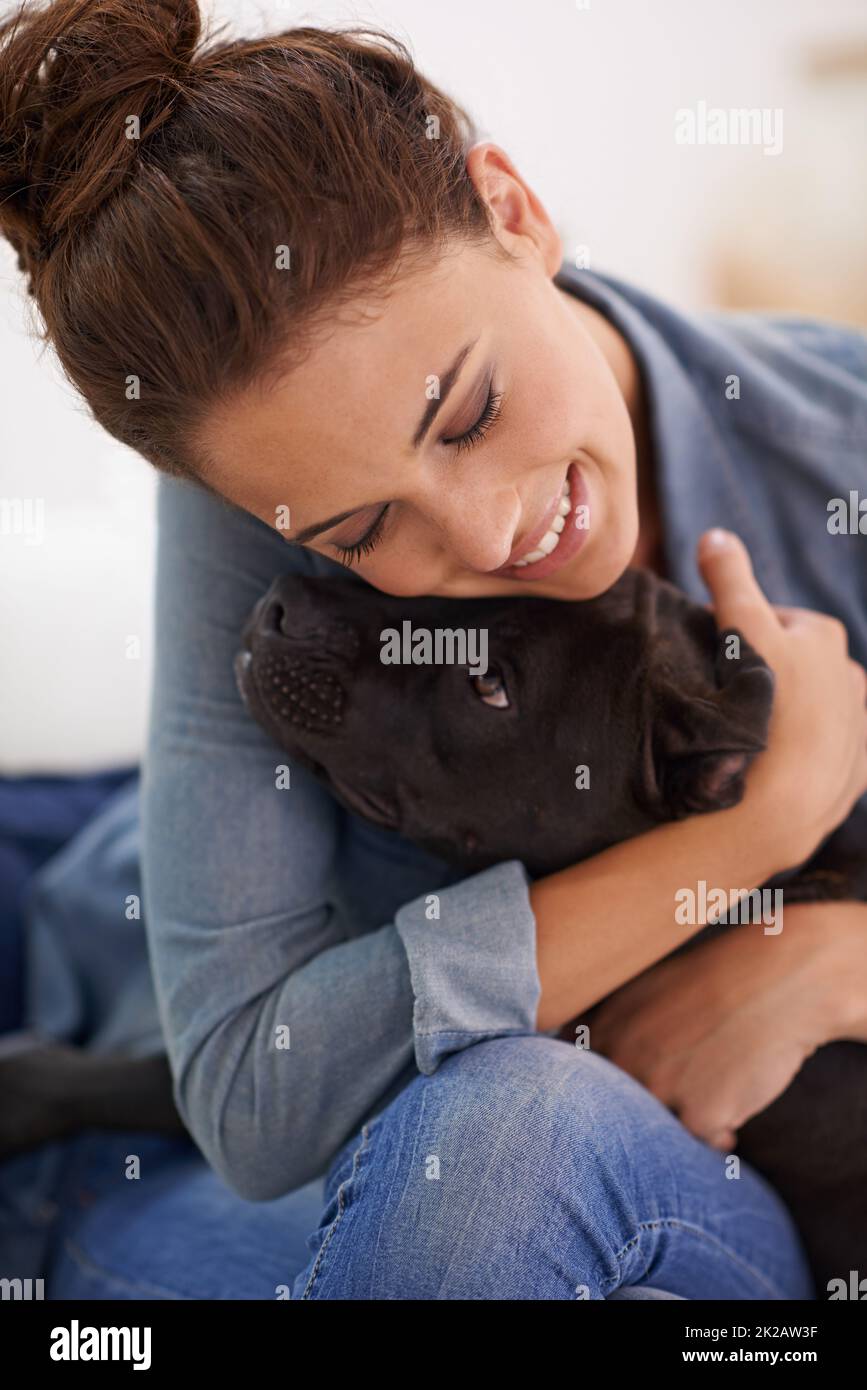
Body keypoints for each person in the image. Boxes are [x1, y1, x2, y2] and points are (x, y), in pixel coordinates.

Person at [1, 0, 866, 1300]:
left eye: (470, 412)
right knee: (506, 1128)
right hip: (325, 1143)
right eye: (364, 531)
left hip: (713, 1192)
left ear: (513, 208)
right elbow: (253, 1090)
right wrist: (749, 838)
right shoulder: (270, 478)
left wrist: (834, 963)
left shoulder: (838, 446)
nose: (489, 528)